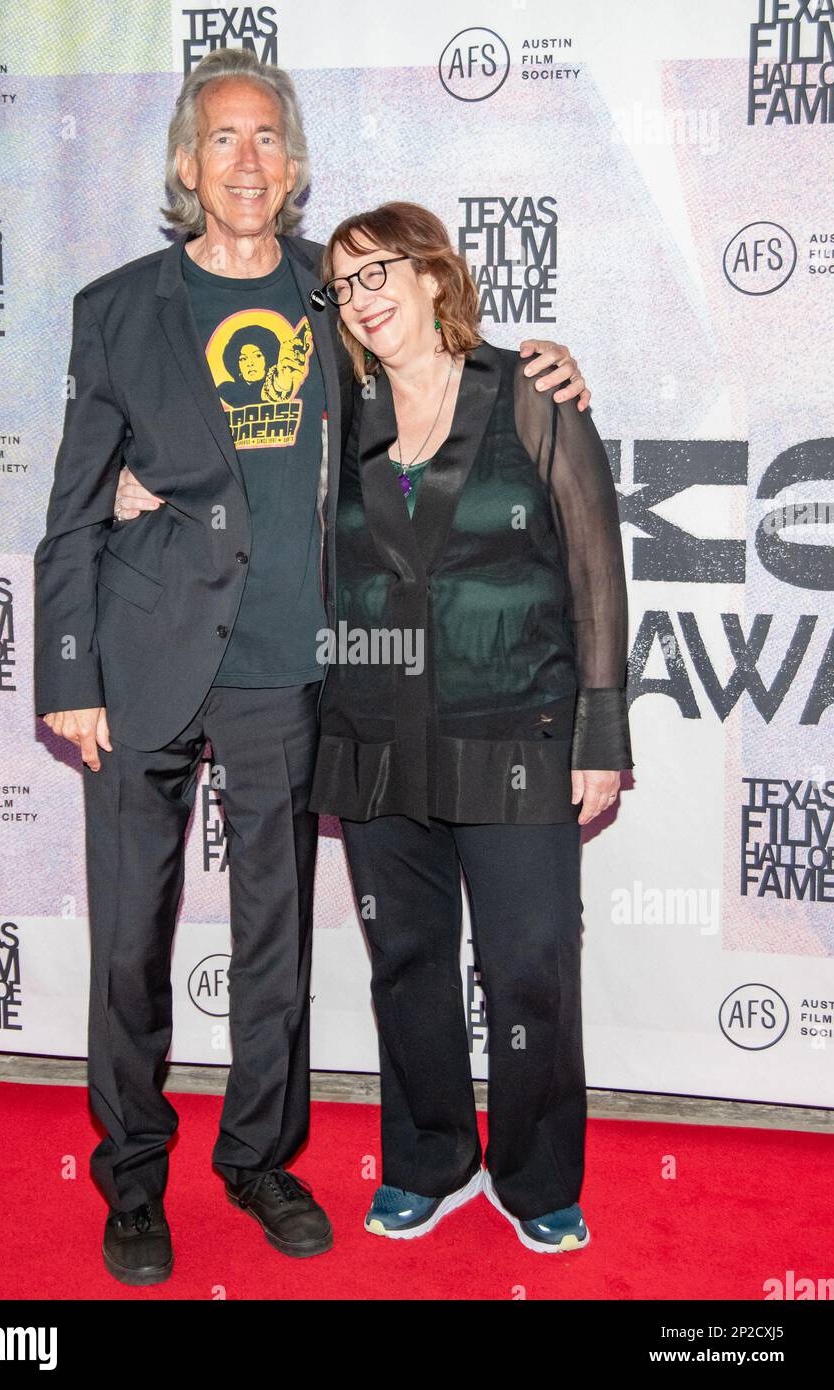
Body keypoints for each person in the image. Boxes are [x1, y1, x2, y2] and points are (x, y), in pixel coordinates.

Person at [39, 46, 592, 1285]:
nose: (247, 160)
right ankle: (133, 1174)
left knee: (276, 937)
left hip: (291, 671)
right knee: (129, 937)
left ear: (294, 165)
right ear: (187, 163)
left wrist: (541, 372)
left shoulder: (328, 296)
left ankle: (258, 1158)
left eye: (268, 139)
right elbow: (71, 512)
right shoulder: (117, 308)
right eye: (223, 139)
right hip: (136, 663)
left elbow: (438, 376)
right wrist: (65, 671)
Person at [304, 201, 633, 1251]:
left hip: (519, 729)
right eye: (342, 284)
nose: (362, 297)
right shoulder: (335, 412)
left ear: (437, 275)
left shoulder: (530, 393)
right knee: (404, 954)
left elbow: (594, 562)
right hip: (373, 733)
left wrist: (600, 732)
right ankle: (428, 1155)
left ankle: (535, 1176)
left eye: (379, 271)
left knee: (529, 959)